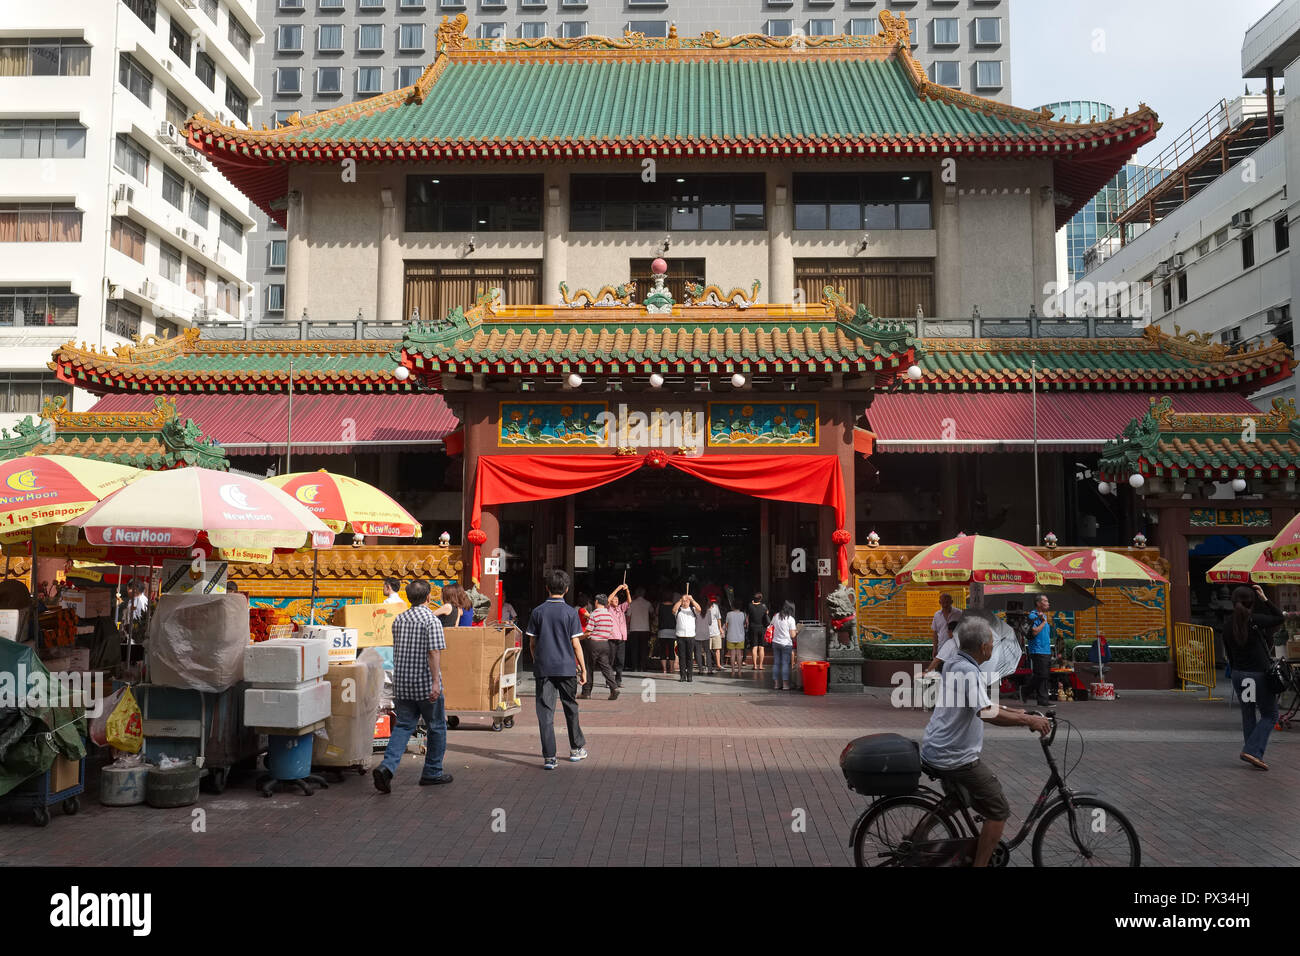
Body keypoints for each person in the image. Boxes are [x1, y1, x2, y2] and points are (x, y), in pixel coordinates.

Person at [920, 617, 1051, 867]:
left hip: (938, 747)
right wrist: (1027, 723)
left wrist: (1022, 715)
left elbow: (984, 704)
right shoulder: (968, 671)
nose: (993, 646)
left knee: (959, 799)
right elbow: (985, 712)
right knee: (998, 810)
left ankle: (917, 835)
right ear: (983, 647)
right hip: (954, 756)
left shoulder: (955, 662)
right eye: (992, 642)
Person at [373, 579, 453, 792]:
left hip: (403, 684)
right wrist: (436, 682)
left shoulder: (399, 620)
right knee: (436, 727)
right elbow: (434, 652)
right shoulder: (431, 621)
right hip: (425, 684)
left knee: (404, 726)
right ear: (428, 597)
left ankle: (387, 766)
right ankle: (432, 771)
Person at [525, 569, 588, 769]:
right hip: (567, 667)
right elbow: (576, 644)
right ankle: (576, 748)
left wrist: (538, 660)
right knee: (571, 707)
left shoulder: (538, 611)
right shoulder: (571, 612)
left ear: (547, 588)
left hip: (544, 668)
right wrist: (583, 668)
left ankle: (549, 757)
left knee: (545, 712)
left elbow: (532, 643)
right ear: (567, 589)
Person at [1226, 584, 1286, 771]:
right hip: (1258, 674)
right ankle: (1252, 750)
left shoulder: (1228, 624)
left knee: (1248, 713)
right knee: (1270, 714)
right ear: (1251, 602)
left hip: (1239, 675)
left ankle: (1252, 751)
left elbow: (1229, 654)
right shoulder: (1255, 620)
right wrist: (1265, 598)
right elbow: (1279, 617)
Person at [581, 593, 620, 700]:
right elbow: (611, 629)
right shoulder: (609, 615)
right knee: (606, 667)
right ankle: (614, 687)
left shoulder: (594, 614)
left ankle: (586, 692)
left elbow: (588, 632)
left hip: (593, 643)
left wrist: (578, 638)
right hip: (605, 643)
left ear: (597, 602)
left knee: (589, 667)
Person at [1025, 595, 1053, 706]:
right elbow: (1034, 632)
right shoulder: (1033, 616)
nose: (1048, 603)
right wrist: (1043, 622)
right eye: (1045, 601)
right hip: (1037, 649)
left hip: (1046, 650)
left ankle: (1043, 700)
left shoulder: (1043, 616)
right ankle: (1026, 690)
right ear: (1038, 603)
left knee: (1044, 676)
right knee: (1041, 675)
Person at [925, 593, 963, 674]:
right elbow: (935, 633)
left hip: (956, 648)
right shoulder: (937, 615)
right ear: (940, 602)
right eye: (943, 602)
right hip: (941, 647)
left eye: (947, 602)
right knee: (940, 670)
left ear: (951, 602)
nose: (945, 604)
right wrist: (935, 648)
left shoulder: (959, 613)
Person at [770, 600, 798, 690]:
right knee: (785, 664)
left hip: (775, 642)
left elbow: (771, 626)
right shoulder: (790, 619)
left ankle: (776, 684)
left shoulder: (776, 616)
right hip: (786, 644)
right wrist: (798, 631)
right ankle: (785, 685)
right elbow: (793, 635)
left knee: (776, 663)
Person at [606, 584, 630, 687]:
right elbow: (609, 598)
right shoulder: (608, 608)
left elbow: (629, 601)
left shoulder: (621, 608)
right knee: (611, 660)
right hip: (612, 638)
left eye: (617, 599)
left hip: (621, 638)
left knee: (620, 660)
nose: (616, 600)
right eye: (614, 599)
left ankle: (618, 680)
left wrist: (627, 590)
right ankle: (609, 681)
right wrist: (618, 588)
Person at [675, 592, 701, 682]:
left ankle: (689, 676)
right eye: (684, 601)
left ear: (689, 602)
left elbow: (699, 609)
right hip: (680, 636)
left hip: (690, 636)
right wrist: (681, 599)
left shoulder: (693, 610)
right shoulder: (679, 610)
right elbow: (673, 610)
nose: (685, 602)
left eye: (687, 601)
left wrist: (692, 599)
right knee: (682, 657)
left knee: (689, 657)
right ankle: (682, 676)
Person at [627, 586, 653, 672]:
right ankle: (642, 667)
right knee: (644, 649)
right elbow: (652, 613)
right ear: (644, 594)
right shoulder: (648, 603)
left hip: (634, 628)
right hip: (645, 629)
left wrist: (627, 627)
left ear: (636, 594)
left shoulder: (632, 604)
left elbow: (628, 617)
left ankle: (634, 667)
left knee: (634, 649)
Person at [746, 592, 769, 674]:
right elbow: (767, 614)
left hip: (753, 628)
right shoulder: (764, 606)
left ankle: (755, 665)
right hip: (762, 628)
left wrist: (752, 603)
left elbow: (748, 614)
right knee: (761, 647)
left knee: (754, 646)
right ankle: (761, 665)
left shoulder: (750, 606)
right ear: (761, 599)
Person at [656, 592, 678, 675]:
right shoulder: (674, 606)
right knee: (671, 650)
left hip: (662, 631)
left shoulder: (660, 605)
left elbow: (656, 614)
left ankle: (664, 669)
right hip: (672, 631)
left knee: (663, 650)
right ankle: (671, 668)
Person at [724, 603, 747, 677]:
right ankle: (739, 672)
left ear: (732, 606)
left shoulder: (729, 614)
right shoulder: (743, 614)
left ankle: (733, 672)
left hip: (731, 636)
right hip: (740, 636)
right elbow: (746, 625)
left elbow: (726, 625)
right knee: (739, 655)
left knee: (732, 655)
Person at [707, 596, 724, 673]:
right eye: (710, 601)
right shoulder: (703, 608)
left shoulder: (716, 607)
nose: (712, 603)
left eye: (713, 601)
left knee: (717, 649)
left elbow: (718, 618)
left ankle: (718, 665)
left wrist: (720, 628)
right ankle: (709, 665)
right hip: (707, 632)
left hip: (716, 631)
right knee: (708, 650)